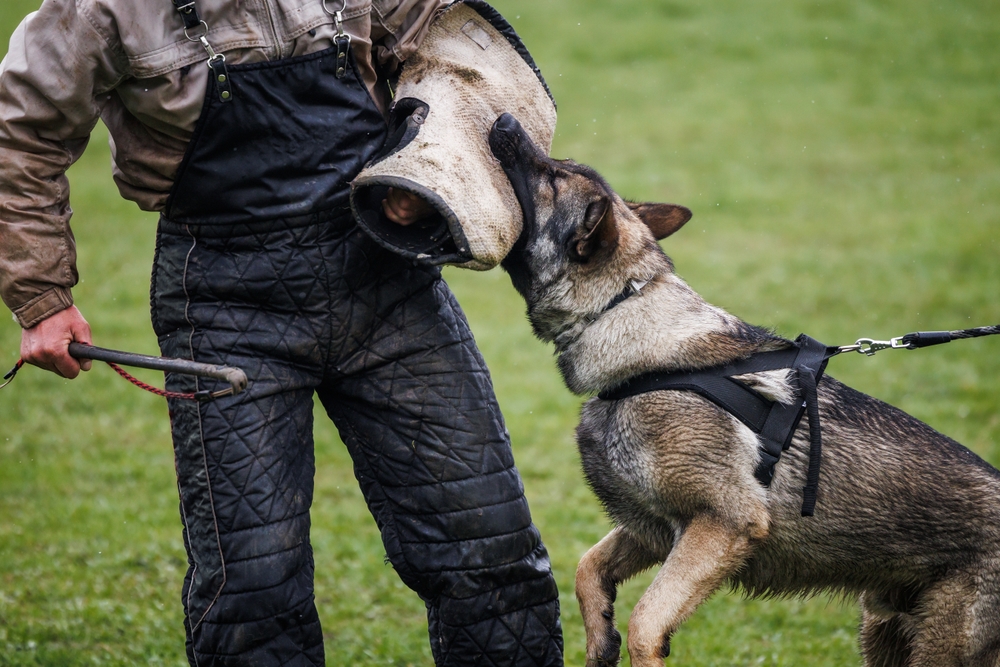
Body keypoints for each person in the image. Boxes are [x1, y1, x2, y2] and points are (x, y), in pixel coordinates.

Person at [0, 1, 564, 665]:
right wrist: (40, 297)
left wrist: (429, 153)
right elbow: (21, 133)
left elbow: (442, 41)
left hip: (385, 278)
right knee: (253, 592)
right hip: (227, 300)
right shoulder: (100, 10)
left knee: (491, 553)